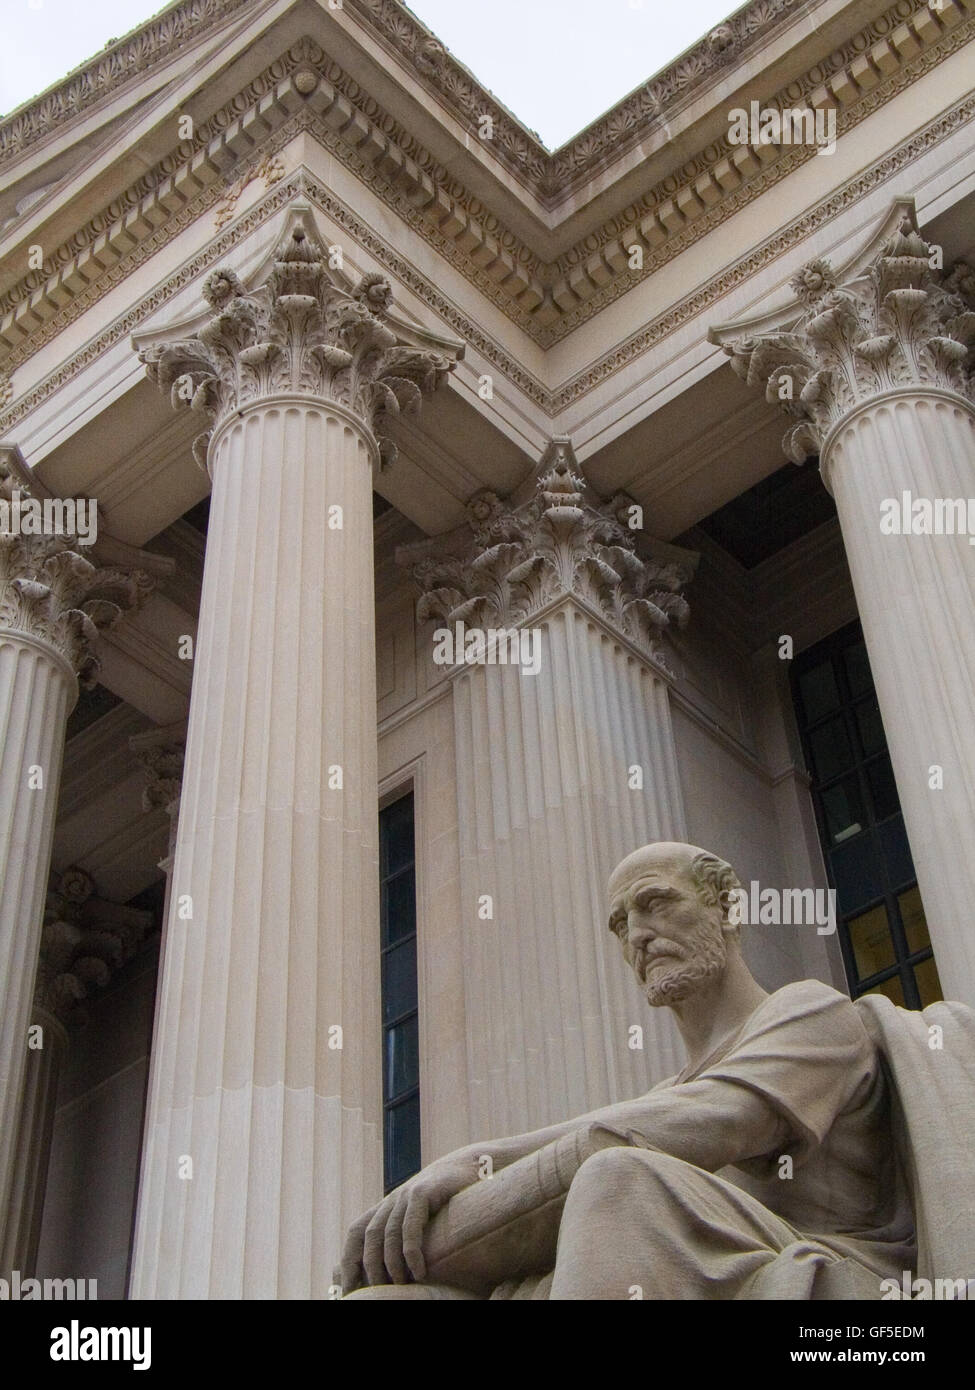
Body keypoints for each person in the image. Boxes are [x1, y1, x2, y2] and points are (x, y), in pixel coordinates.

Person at [341, 841, 914, 1299]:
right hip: (704, 1261)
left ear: (727, 907)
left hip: (844, 1283)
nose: (638, 935)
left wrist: (476, 1162)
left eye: (656, 902)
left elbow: (718, 1121)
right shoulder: (667, 1096)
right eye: (620, 924)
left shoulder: (814, 1012)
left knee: (620, 1181)